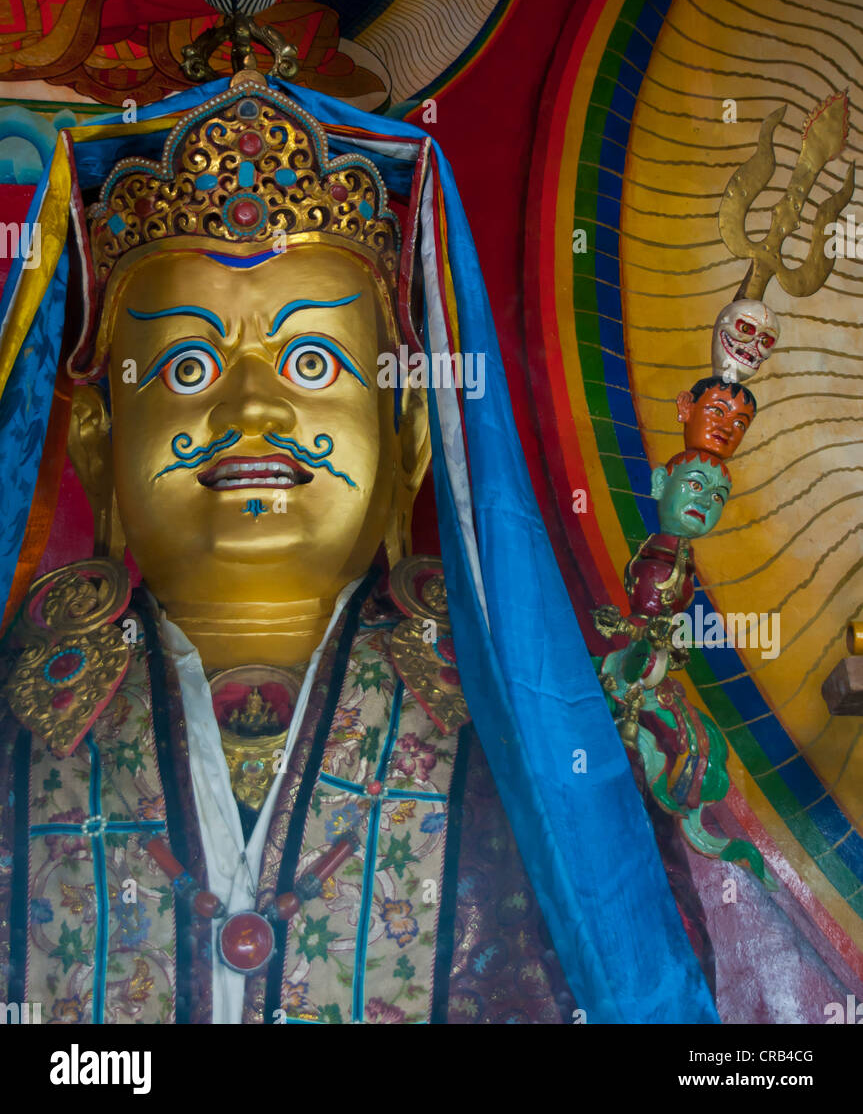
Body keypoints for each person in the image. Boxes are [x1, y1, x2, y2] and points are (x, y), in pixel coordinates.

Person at [0, 70, 717, 1024]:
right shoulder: (14, 735)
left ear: (408, 438)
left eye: (310, 362)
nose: (251, 409)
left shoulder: (525, 748)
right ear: (96, 443)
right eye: (186, 363)